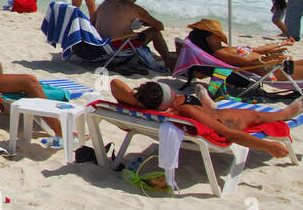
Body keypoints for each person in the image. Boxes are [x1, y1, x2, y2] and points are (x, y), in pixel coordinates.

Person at [109, 79, 294, 159]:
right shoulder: (186, 110)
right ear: (169, 95)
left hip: (202, 110)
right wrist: (269, 146)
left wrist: (143, 103)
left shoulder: (156, 107)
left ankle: (206, 100)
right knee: (273, 115)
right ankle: (207, 100)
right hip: (226, 119)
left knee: (207, 104)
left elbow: (115, 84)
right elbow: (229, 134)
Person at [91, 0, 175, 70]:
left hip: (99, 43)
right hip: (116, 46)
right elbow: (160, 26)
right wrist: (146, 23)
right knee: (155, 32)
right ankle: (168, 63)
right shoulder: (134, 8)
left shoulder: (107, 2)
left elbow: (93, 22)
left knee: (130, 32)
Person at [184, 18, 303, 79]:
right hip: (271, 72)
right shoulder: (220, 54)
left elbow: (258, 50)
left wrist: (282, 44)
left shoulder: (227, 49)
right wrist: (270, 58)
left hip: (276, 66)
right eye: (217, 35)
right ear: (209, 39)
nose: (220, 36)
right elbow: (251, 62)